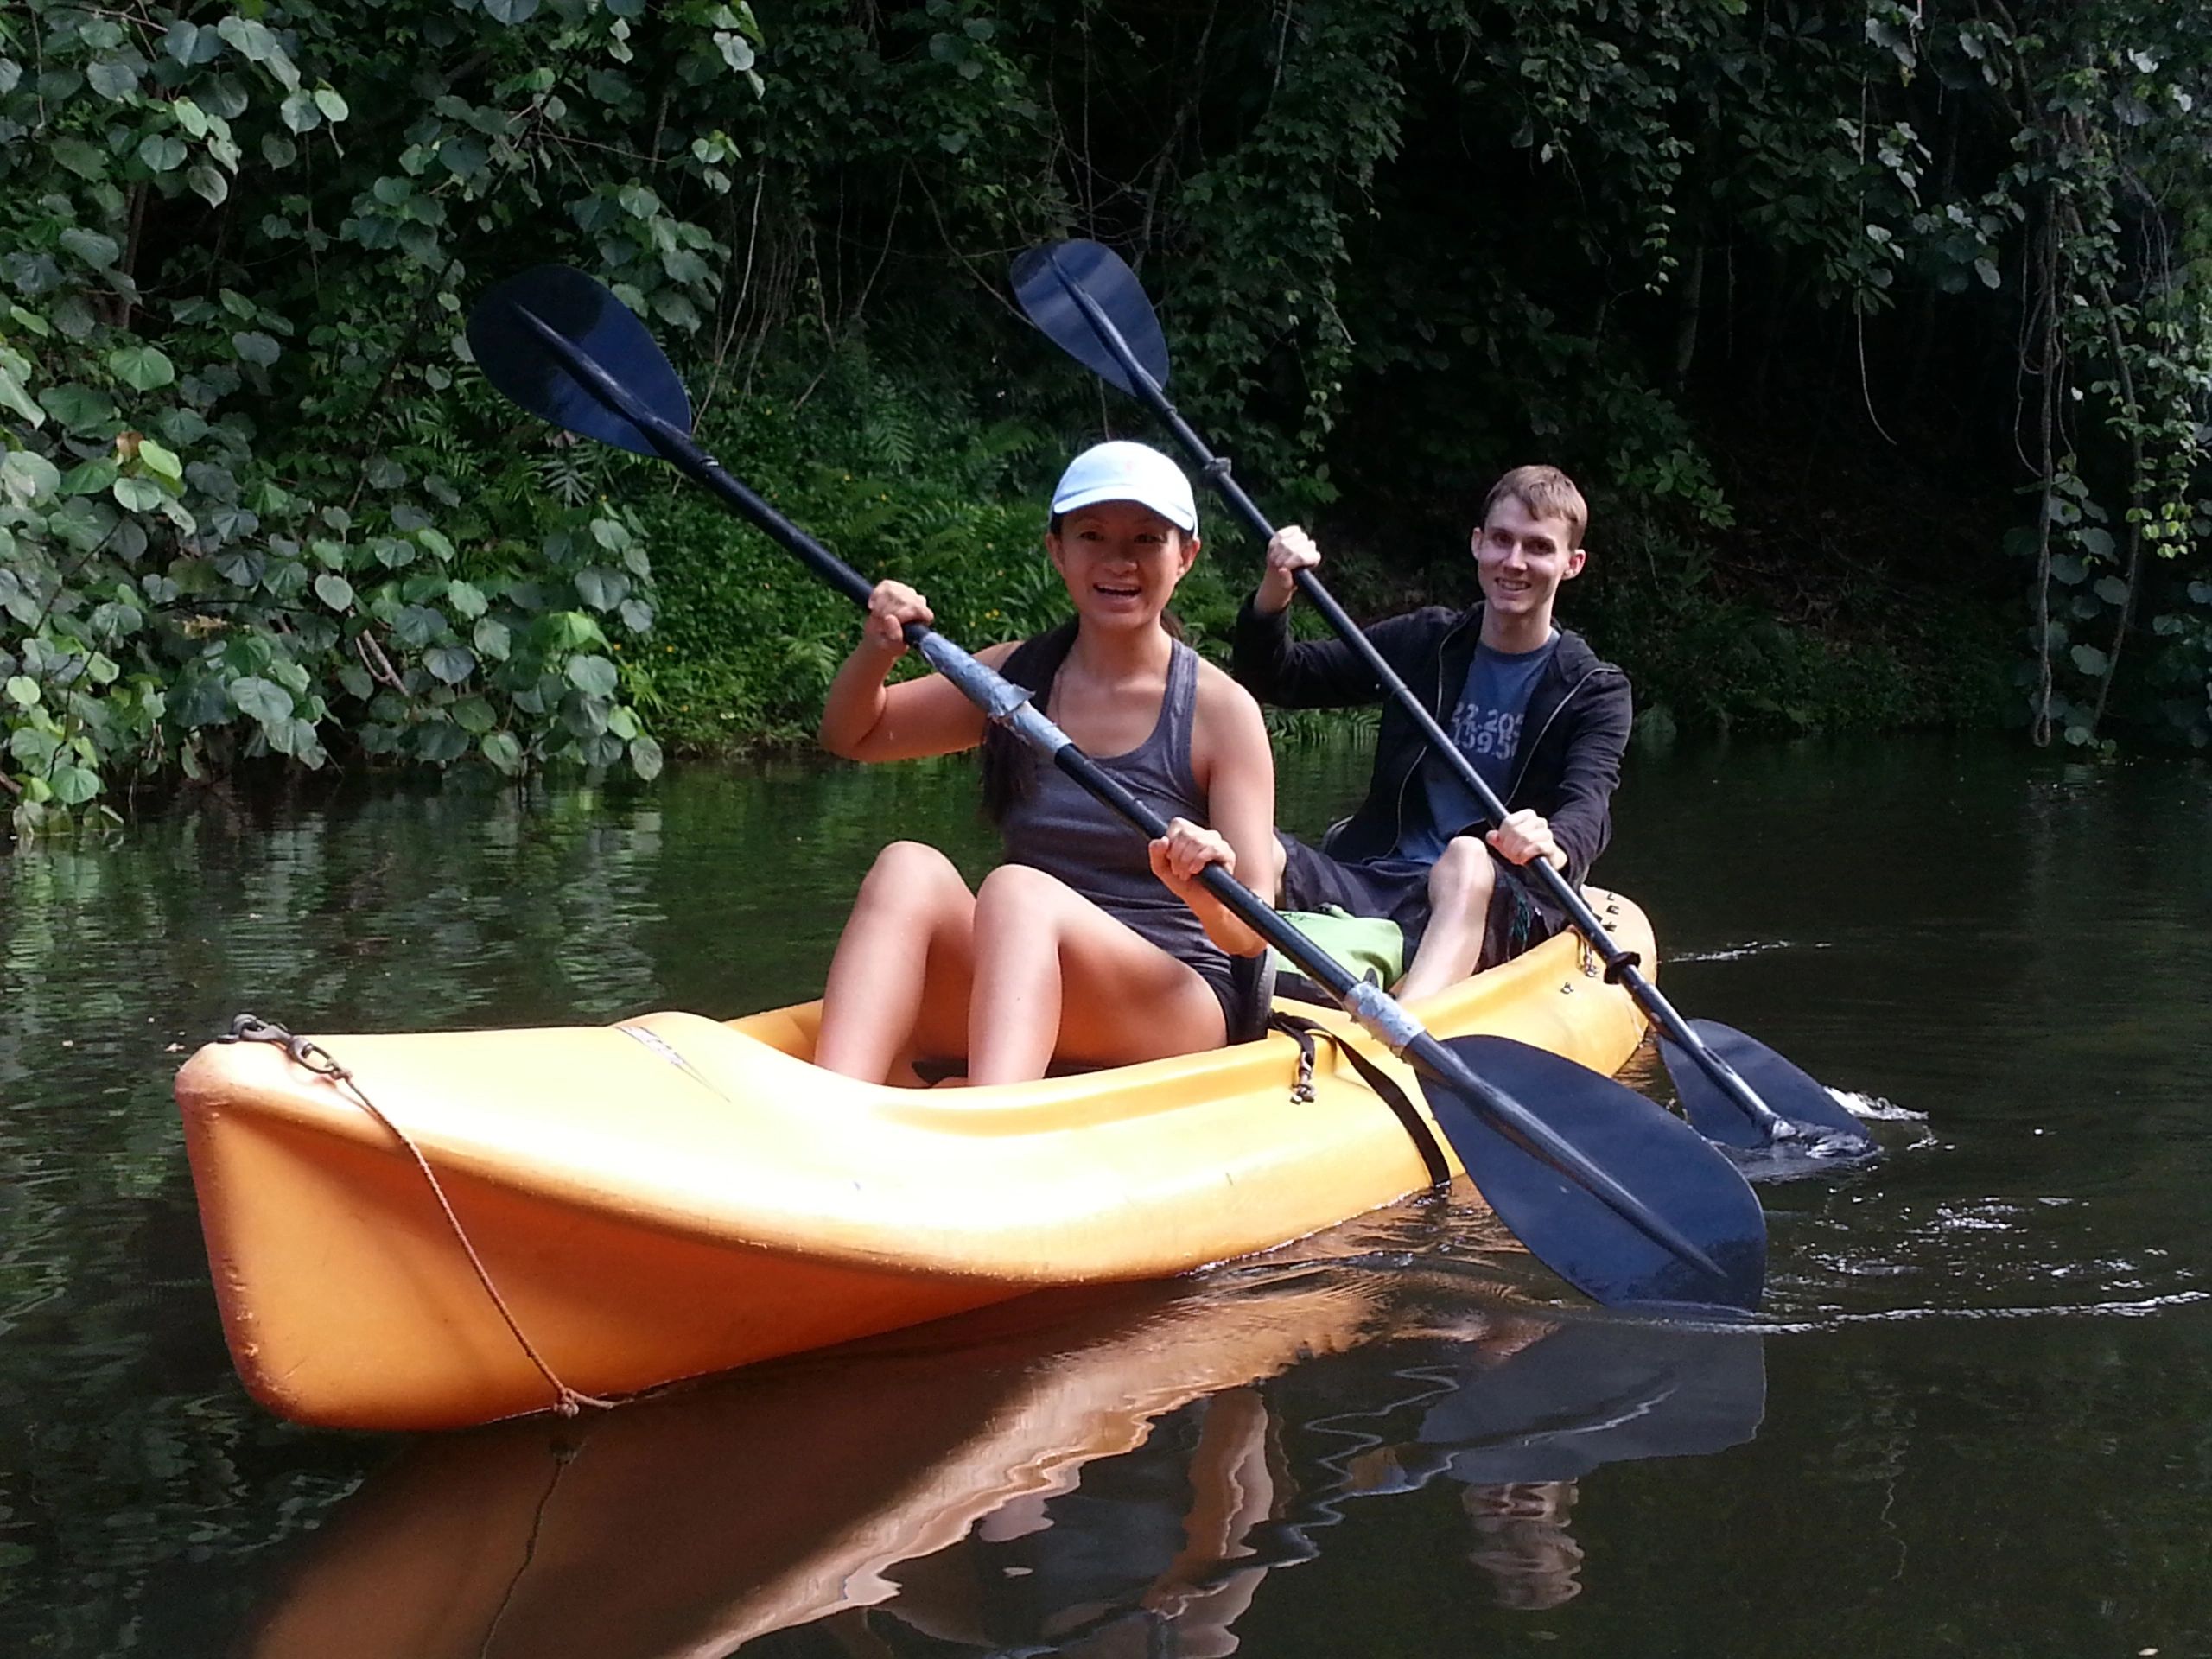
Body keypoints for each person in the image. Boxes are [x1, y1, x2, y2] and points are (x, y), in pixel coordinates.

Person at [813, 440, 1278, 1086]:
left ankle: (991, 1121)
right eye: (1093, 535)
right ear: (1057, 550)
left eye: (1147, 539)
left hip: (1174, 1002)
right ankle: (831, 1105)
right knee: (906, 868)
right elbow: (854, 735)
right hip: (1028, 970)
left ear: (1186, 557)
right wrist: (878, 650)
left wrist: (1200, 886)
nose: (1119, 561)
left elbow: (1252, 934)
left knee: (1015, 888)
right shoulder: (1013, 678)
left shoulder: (1222, 711)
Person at [1230, 464, 1629, 1003]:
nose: (1514, 562)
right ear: (1477, 544)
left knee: (1466, 856)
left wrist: (1554, 843)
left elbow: (1590, 804)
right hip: (1380, 874)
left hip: (1499, 893)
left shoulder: (1594, 689)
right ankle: (1205, 989)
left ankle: (1405, 1025)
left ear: (1571, 564)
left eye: (1537, 547)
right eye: (1502, 541)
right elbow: (1281, 676)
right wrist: (1274, 594)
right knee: (1248, 841)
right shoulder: (1426, 641)